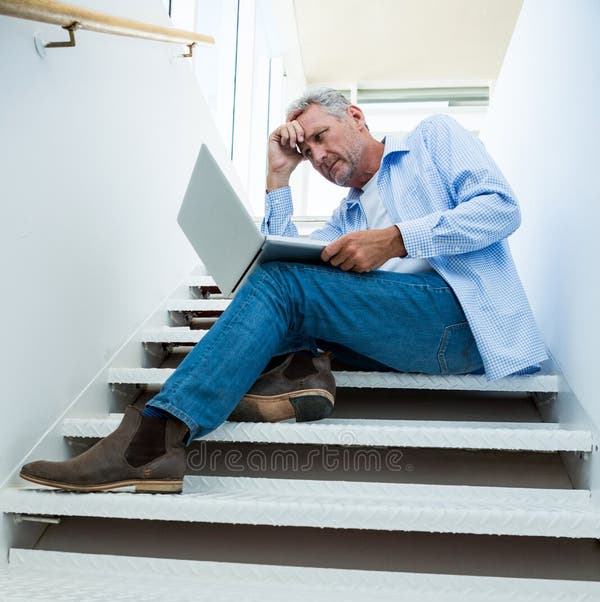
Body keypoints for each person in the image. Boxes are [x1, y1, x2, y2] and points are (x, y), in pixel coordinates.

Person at [20, 88, 548, 494]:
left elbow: (502, 209)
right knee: (280, 289)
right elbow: (280, 266)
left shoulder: (432, 138)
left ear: (357, 118)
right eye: (308, 149)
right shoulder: (349, 214)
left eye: (321, 136)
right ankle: (297, 374)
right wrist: (278, 179)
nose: (317, 155)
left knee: (287, 292)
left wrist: (395, 240)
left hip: (463, 319)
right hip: (400, 329)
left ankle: (151, 439)